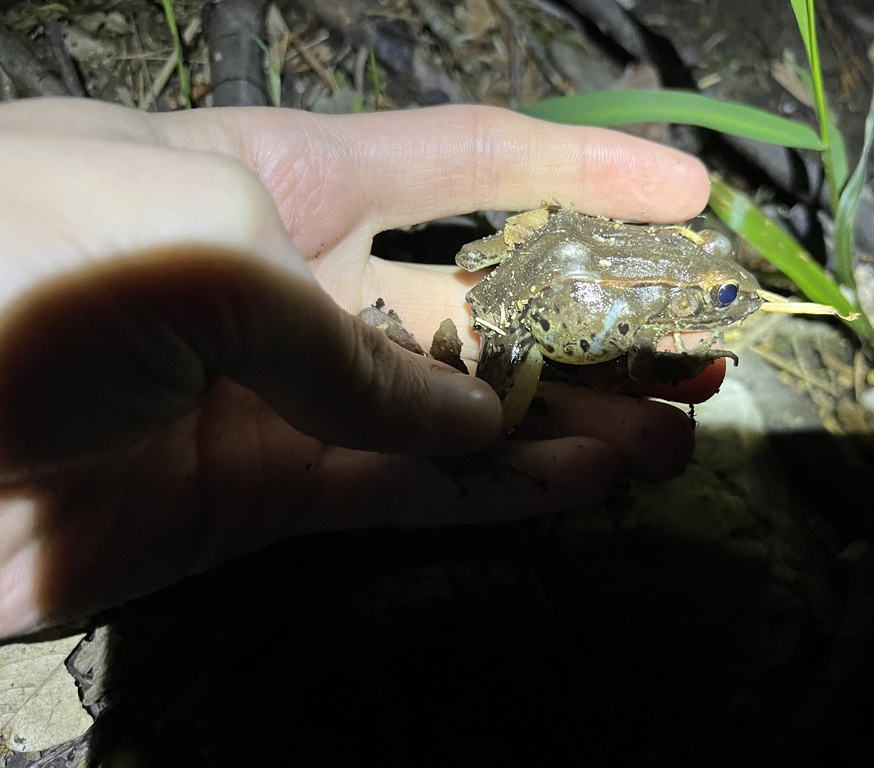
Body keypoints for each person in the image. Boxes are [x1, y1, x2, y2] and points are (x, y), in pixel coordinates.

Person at [0, 97, 721, 640]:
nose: (726, 295)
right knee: (488, 431)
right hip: (518, 319)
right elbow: (629, 346)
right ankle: (418, 365)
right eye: (720, 294)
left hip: (521, 262)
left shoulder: (662, 273)